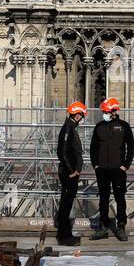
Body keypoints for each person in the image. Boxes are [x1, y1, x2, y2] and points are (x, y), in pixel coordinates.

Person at [90, 97, 134, 241]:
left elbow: (131, 146)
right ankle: (103, 227)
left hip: (118, 169)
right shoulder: (99, 126)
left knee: (119, 198)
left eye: (107, 112)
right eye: (104, 112)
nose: (105, 114)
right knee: (103, 198)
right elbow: (93, 148)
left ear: (115, 111)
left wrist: (125, 165)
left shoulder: (124, 126)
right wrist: (95, 165)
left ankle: (121, 226)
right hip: (102, 169)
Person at [56, 101, 87, 246]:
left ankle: (66, 233)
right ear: (77, 114)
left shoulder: (70, 127)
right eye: (81, 114)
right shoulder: (68, 128)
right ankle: (63, 236)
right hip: (69, 173)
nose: (82, 117)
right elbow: (61, 152)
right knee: (66, 204)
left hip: (71, 172)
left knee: (67, 203)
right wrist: (71, 171)